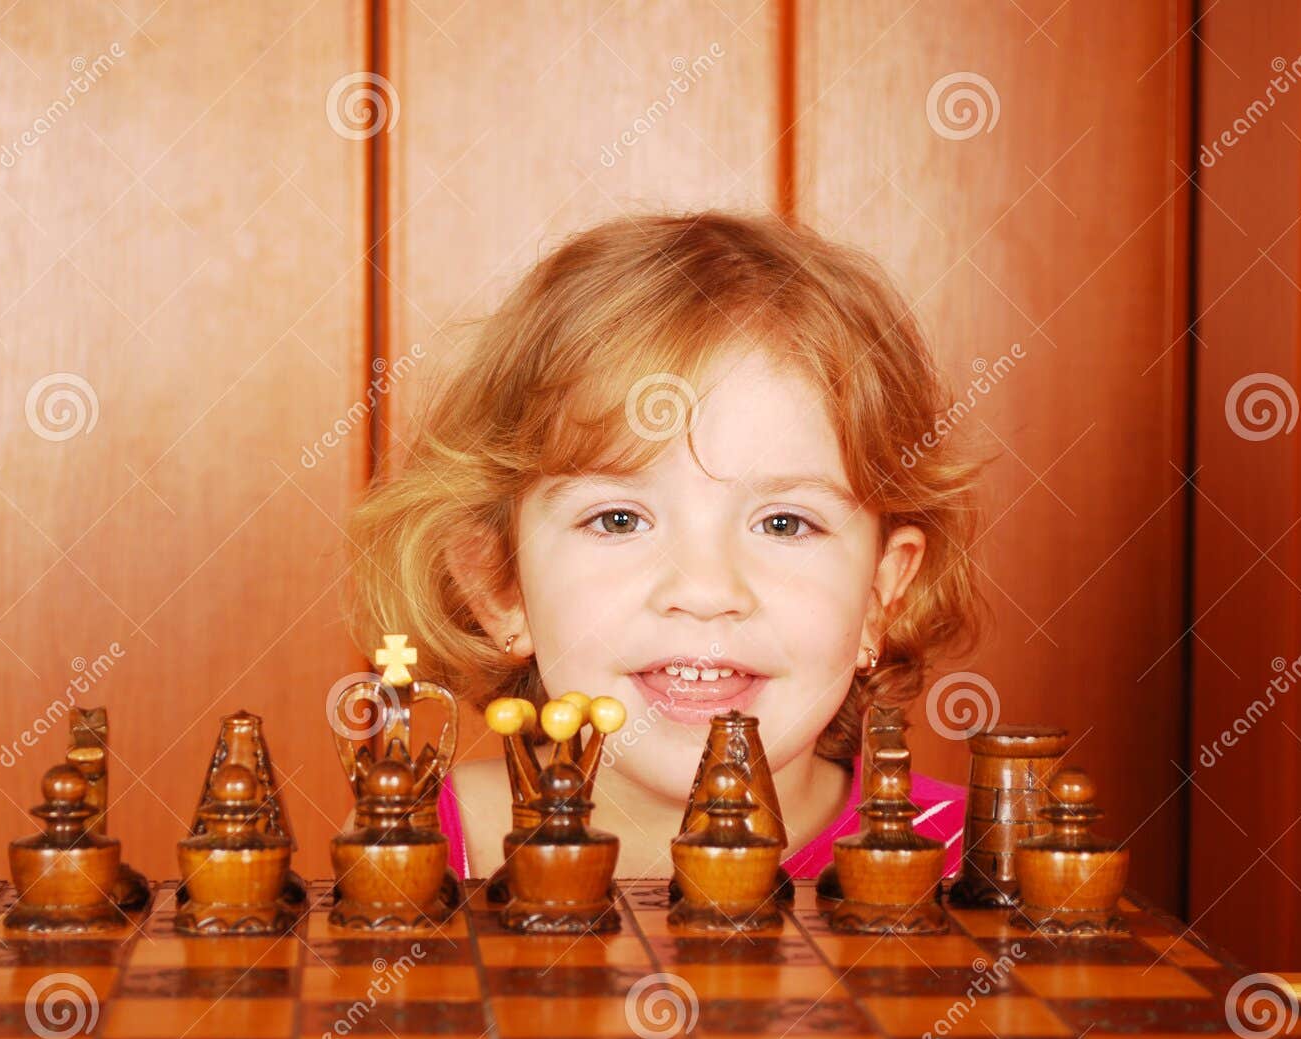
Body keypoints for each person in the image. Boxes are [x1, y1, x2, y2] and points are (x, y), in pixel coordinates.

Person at [346, 210, 989, 881]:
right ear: (499, 585)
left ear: (881, 596)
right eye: (619, 519)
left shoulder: (973, 856)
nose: (705, 591)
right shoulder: (408, 848)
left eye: (784, 523)